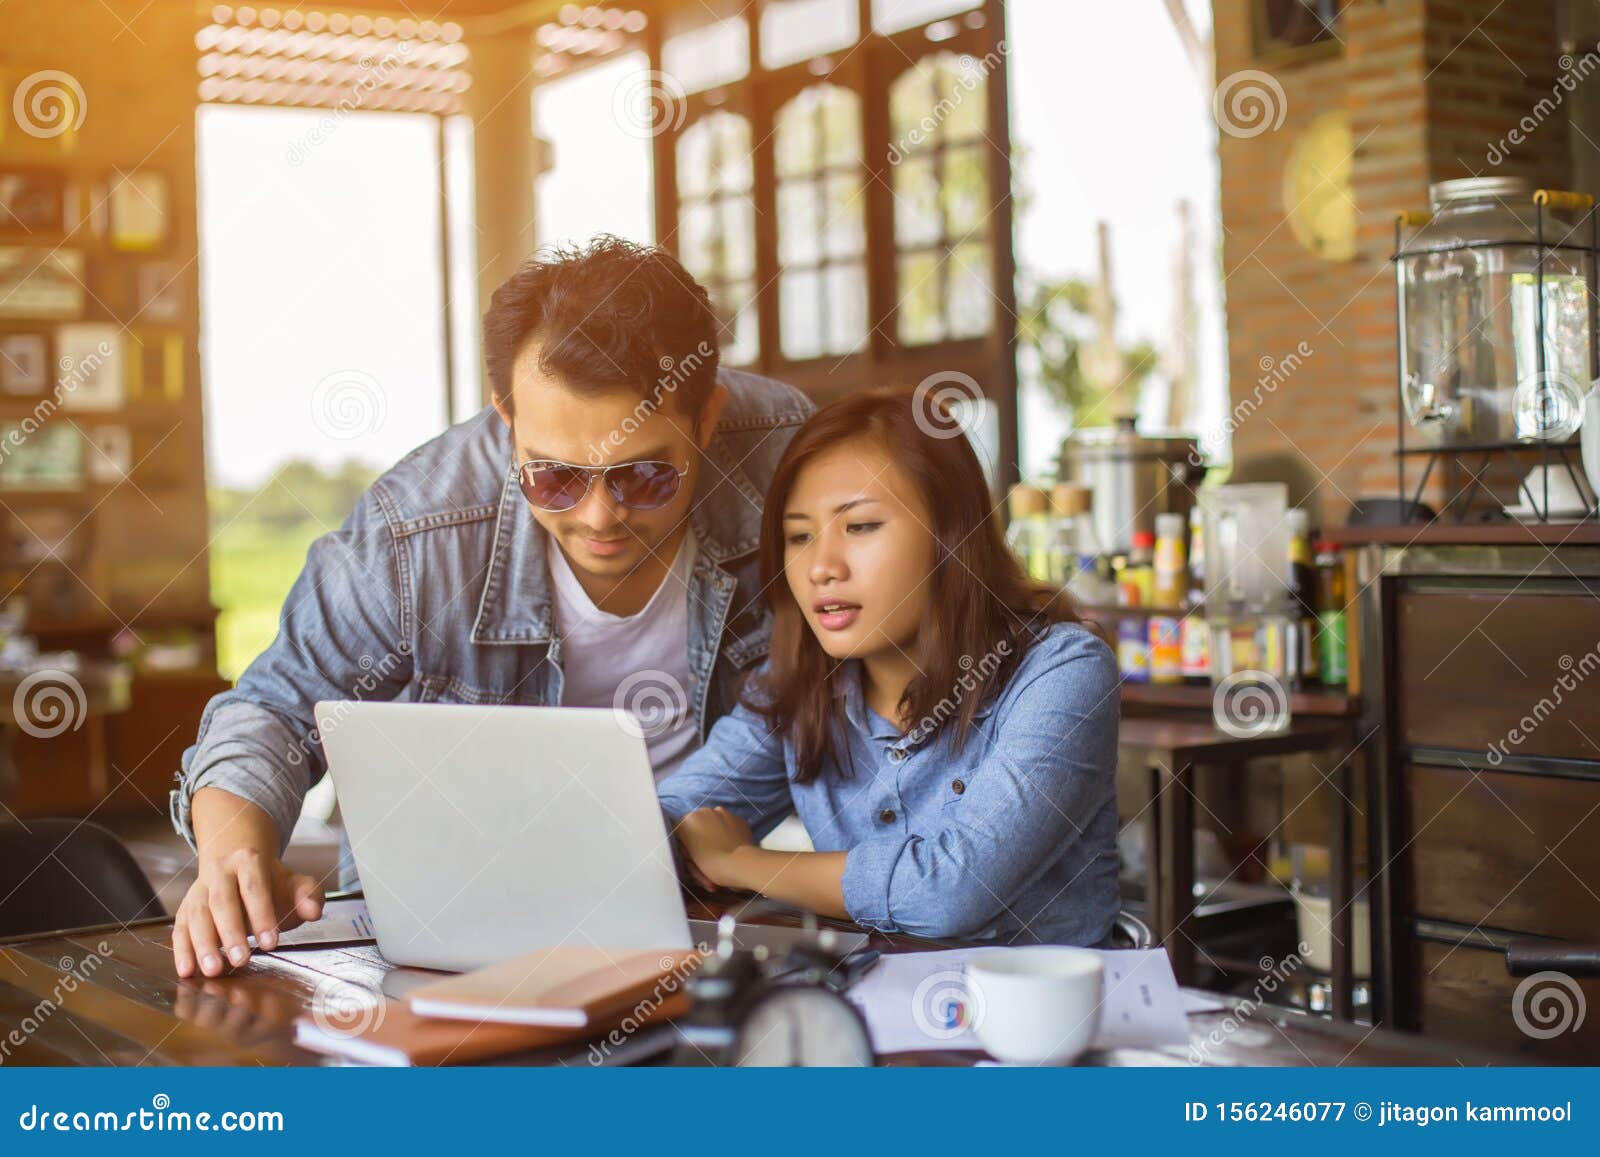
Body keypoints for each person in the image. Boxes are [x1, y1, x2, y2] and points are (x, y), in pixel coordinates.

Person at [169, 237, 812, 978]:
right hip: (445, 926)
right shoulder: (415, 530)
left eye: (644, 476)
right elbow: (277, 705)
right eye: (555, 478)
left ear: (708, 420)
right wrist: (233, 853)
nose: (601, 517)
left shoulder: (784, 457)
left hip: (700, 912)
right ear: (508, 418)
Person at [657, 388, 1121, 946]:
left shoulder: (1061, 671)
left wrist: (741, 862)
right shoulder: (795, 688)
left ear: (951, 536)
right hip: (870, 1011)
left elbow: (951, 891)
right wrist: (672, 834)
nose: (821, 568)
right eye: (799, 536)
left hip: (1041, 1022)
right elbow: (666, 820)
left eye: (860, 527)